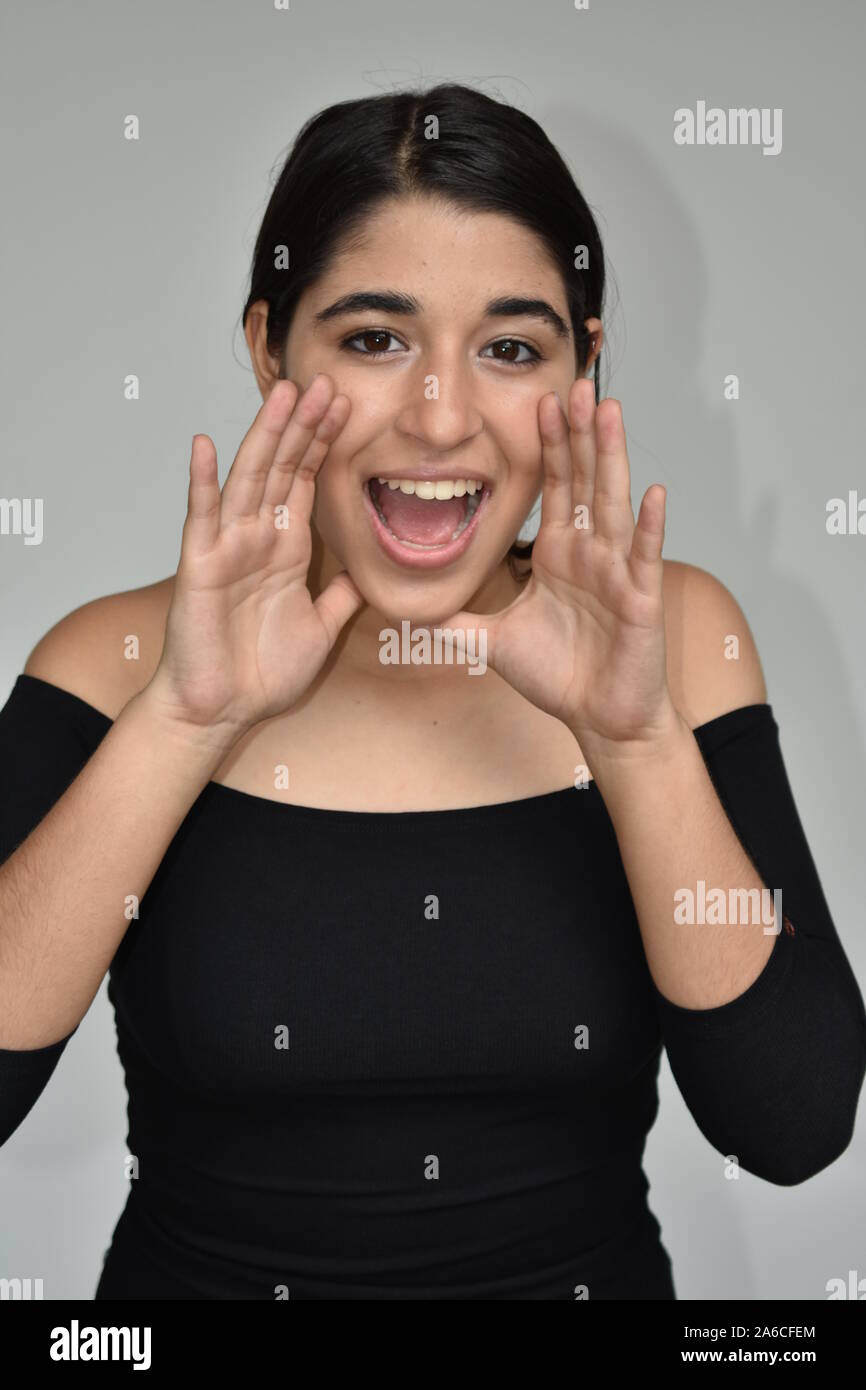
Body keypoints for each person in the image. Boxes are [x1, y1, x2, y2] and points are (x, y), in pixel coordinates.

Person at [0, 83, 864, 1301]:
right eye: (372, 338)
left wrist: (632, 740)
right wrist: (187, 718)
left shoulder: (670, 632)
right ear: (266, 348)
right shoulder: (112, 660)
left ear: (583, 369)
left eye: (511, 348)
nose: (440, 414)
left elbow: (794, 1125)